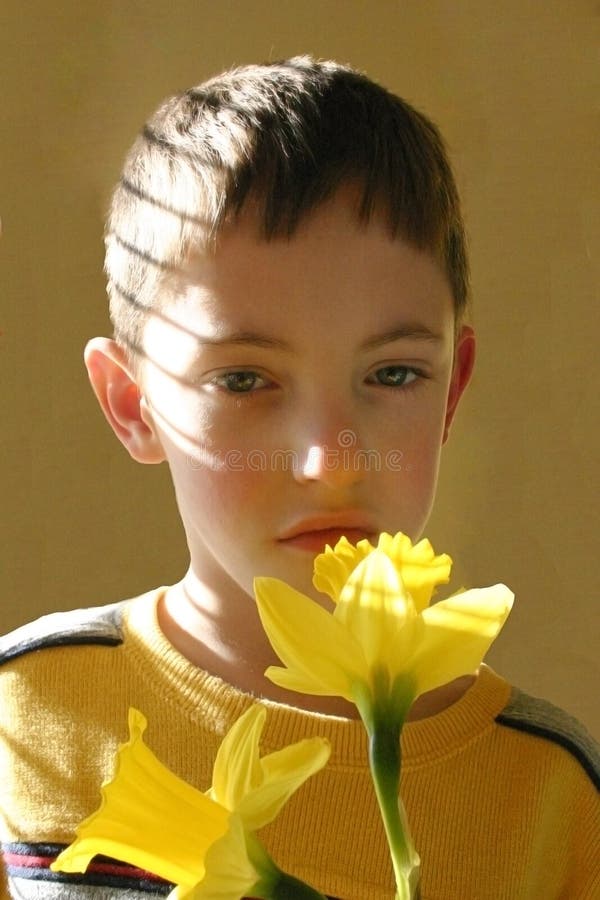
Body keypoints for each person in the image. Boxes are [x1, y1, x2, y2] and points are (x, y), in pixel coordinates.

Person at [0, 57, 598, 900]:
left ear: (452, 393)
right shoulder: (20, 718)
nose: (334, 460)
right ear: (132, 404)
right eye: (244, 380)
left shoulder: (553, 797)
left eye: (393, 375)